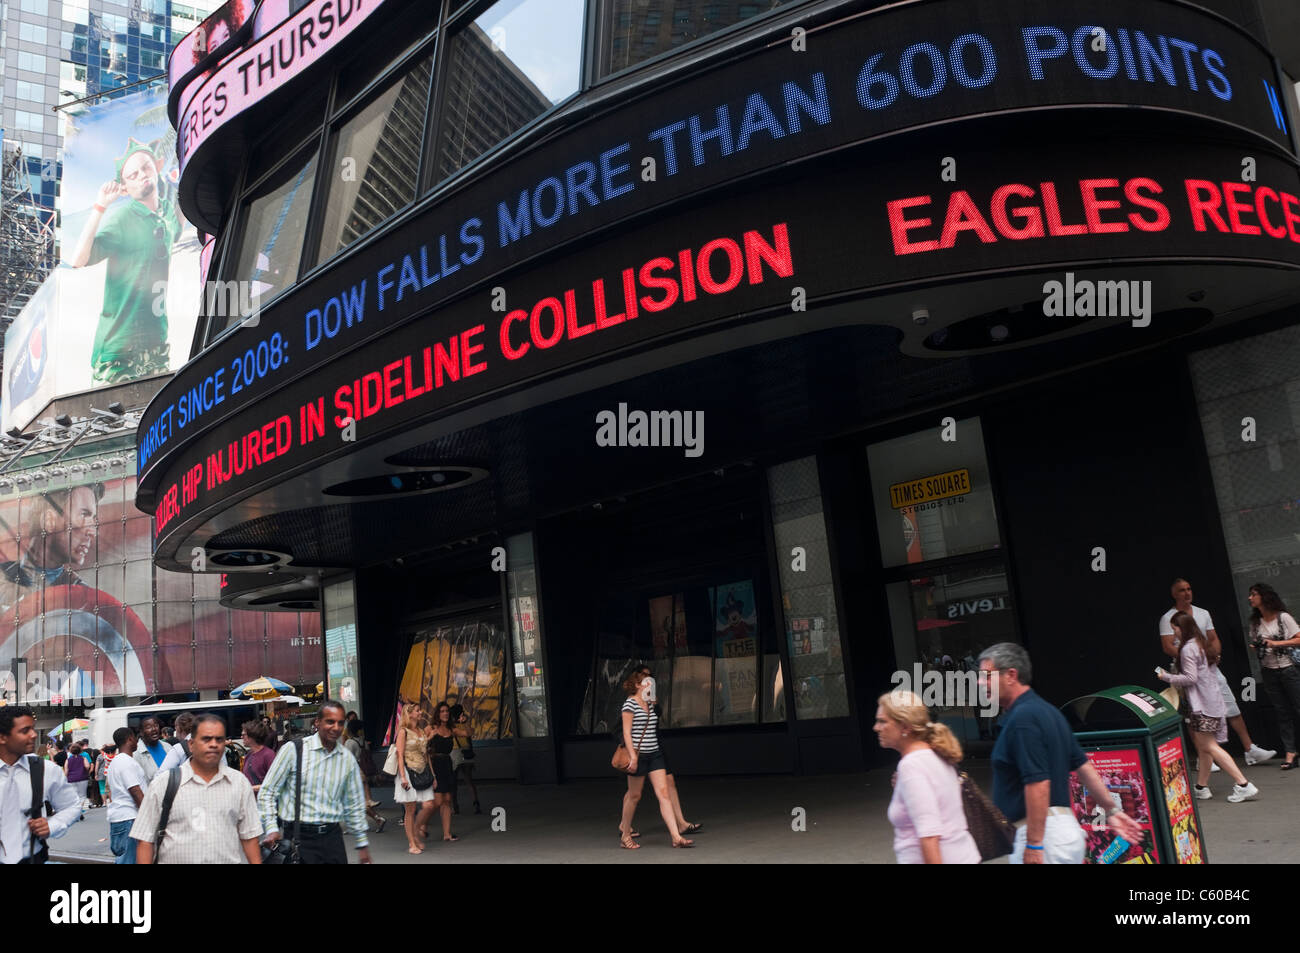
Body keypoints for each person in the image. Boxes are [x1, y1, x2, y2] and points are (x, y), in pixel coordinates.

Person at [978, 643, 1142, 863]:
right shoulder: (1047, 712)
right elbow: (1083, 766)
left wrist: (1035, 844)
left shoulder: (1023, 719)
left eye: (987, 676)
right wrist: (1112, 811)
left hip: (1043, 836)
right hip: (1058, 832)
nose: (981, 683)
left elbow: (1038, 783)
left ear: (1011, 675)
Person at [69, 138, 179, 383]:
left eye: (146, 167)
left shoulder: (168, 214)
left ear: (157, 168)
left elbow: (179, 229)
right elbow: (78, 260)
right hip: (117, 350)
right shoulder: (122, 218)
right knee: (112, 419)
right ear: (125, 187)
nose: (142, 175)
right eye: (133, 174)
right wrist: (100, 206)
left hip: (156, 345)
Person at [1159, 578, 1274, 766]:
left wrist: (1213, 655)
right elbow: (1167, 646)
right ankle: (1205, 757)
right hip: (1186, 670)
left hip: (1210, 669)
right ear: (1174, 594)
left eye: (1189, 589)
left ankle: (1250, 749)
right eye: (1182, 590)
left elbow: (1213, 638)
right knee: (1193, 714)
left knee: (1230, 705)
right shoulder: (1168, 618)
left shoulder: (1203, 613)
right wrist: (1189, 658)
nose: (1187, 593)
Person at [131, 714, 262, 864]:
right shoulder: (164, 784)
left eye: (219, 739)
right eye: (206, 739)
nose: (213, 744)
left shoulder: (239, 784)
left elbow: (250, 837)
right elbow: (145, 840)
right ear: (191, 745)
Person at [1157, 612, 1259, 801]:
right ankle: (1201, 787)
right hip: (1212, 701)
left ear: (1182, 628)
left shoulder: (1188, 649)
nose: (1174, 634)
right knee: (1205, 748)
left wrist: (1166, 676)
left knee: (1209, 746)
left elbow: (1190, 678)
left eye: (1175, 629)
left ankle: (1243, 783)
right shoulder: (1201, 644)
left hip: (1201, 704)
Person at [258, 700, 372, 864]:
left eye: (340, 723)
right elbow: (267, 792)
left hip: (333, 839)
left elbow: (353, 803)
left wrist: (362, 844)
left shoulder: (346, 758)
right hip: (298, 839)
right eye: (330, 721)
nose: (336, 727)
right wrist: (271, 828)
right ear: (317, 722)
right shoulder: (294, 750)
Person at [874, 690, 980, 864]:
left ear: (905, 727)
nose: (876, 727)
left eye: (883, 721)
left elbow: (929, 835)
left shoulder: (911, 766)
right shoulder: (937, 755)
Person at [618, 664, 700, 844]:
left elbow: (655, 723)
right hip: (639, 756)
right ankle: (625, 833)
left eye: (651, 682)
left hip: (655, 753)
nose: (650, 684)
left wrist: (653, 704)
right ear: (638, 685)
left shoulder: (650, 702)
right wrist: (632, 756)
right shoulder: (630, 704)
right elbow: (626, 732)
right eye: (646, 682)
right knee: (634, 795)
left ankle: (676, 836)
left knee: (663, 794)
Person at [0, 706, 81, 864]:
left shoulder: (46, 770)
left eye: (33, 728)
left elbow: (72, 806)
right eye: (25, 731)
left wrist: (52, 825)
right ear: (3, 737)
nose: (34, 734)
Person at [1245, 582, 1300, 769]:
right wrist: (1258, 646)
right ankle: (1290, 752)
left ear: (1264, 596)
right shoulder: (1255, 622)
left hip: (1288, 669)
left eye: (1253, 594)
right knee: (1282, 712)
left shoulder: (1283, 617)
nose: (1250, 598)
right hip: (1268, 671)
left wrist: (1276, 644)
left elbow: (1299, 639)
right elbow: (1255, 643)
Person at [105, 727, 146, 864]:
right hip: (129, 817)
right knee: (129, 860)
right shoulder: (126, 762)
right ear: (130, 739)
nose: (136, 741)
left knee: (125, 859)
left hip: (120, 817)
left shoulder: (116, 762)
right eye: (135, 738)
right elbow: (135, 790)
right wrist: (148, 815)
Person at [342, 718, 385, 833]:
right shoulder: (363, 742)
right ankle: (376, 819)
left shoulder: (349, 742)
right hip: (363, 773)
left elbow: (347, 759)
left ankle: (373, 820)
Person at [428, 702, 460, 843]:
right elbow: (419, 742)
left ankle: (447, 834)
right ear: (438, 714)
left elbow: (468, 733)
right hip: (435, 764)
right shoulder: (431, 728)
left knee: (447, 799)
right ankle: (421, 823)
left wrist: (465, 723)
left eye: (447, 711)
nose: (445, 713)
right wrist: (430, 737)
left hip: (447, 764)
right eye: (442, 711)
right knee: (437, 801)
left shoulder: (451, 729)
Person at [449, 704, 481, 815]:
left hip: (454, 752)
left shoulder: (451, 726)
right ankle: (476, 803)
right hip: (466, 752)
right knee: (469, 781)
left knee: (453, 782)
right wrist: (464, 722)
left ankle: (455, 806)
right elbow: (470, 734)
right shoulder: (464, 724)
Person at [239, 720, 276, 792]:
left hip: (262, 802)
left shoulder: (268, 755)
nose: (241, 737)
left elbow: (274, 784)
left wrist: (250, 789)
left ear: (252, 736)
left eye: (244, 735)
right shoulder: (249, 754)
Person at [134, 716, 168, 782]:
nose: (154, 729)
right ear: (141, 732)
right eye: (148, 727)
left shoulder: (168, 747)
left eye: (156, 725)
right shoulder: (136, 753)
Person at [64, 741, 91, 807]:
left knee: (74, 795)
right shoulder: (83, 758)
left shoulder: (68, 760)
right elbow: (87, 766)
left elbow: (66, 770)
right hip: (82, 778)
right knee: (82, 795)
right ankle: (80, 808)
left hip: (71, 779)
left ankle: (76, 808)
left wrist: (65, 778)